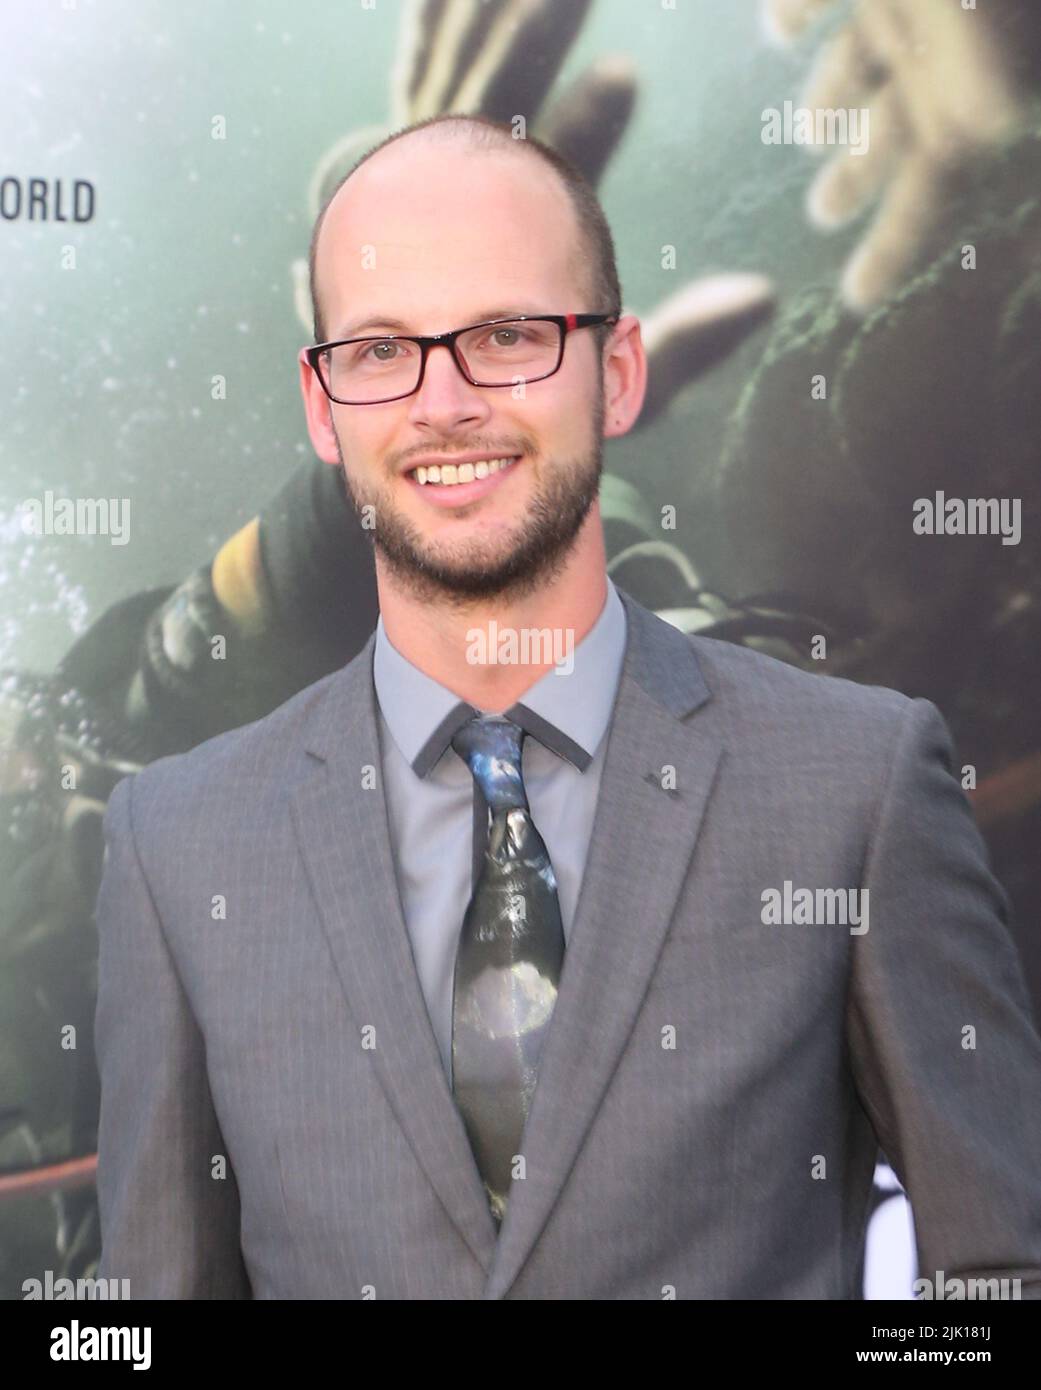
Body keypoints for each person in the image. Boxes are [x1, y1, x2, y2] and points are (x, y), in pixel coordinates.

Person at [93, 112, 1041, 1300]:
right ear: (321, 408)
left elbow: (1001, 1279)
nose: (445, 401)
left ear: (621, 371)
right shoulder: (176, 845)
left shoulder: (861, 783)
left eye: (506, 332)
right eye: (383, 350)